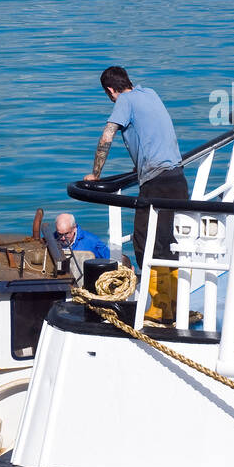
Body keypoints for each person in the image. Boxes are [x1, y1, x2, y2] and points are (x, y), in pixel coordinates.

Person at [85, 66, 188, 322]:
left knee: (145, 241)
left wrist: (95, 174)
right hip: (177, 176)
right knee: (168, 241)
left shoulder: (125, 100)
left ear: (110, 90)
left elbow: (107, 136)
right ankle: (174, 303)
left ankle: (161, 307)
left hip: (156, 182)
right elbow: (151, 132)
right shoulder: (149, 93)